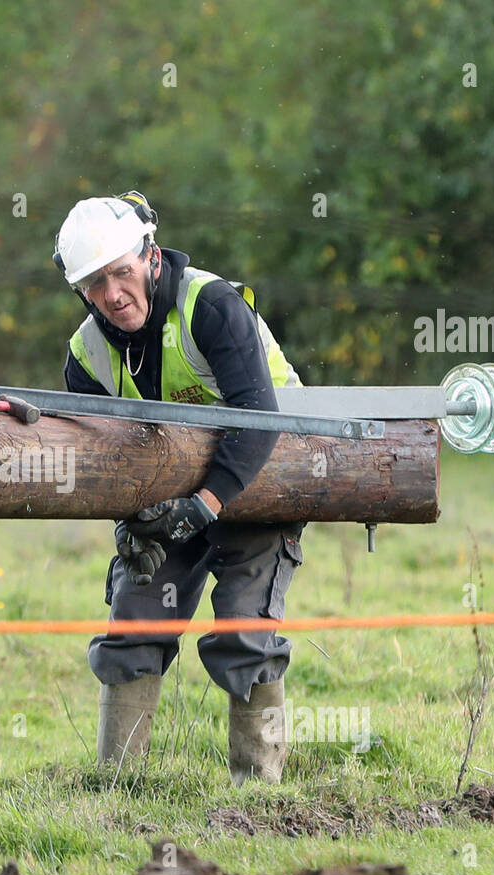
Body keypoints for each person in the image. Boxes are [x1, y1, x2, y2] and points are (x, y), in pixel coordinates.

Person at [54, 191, 304, 785]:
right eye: (94, 283)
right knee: (133, 625)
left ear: (151, 256)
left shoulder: (211, 305)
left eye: (121, 272)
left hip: (262, 482)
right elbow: (102, 455)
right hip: (166, 506)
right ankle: (117, 792)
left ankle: (258, 793)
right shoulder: (85, 354)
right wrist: (130, 520)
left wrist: (208, 504)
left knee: (246, 631)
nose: (112, 294)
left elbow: (257, 416)